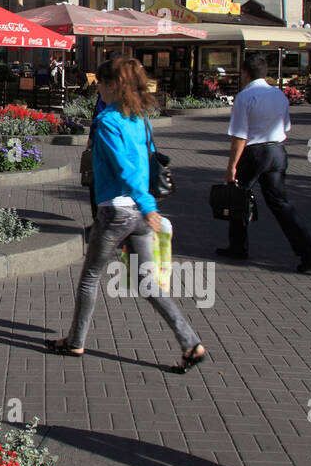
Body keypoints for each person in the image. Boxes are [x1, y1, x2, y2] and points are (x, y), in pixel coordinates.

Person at [48, 56, 206, 373]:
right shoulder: (140, 120)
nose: (98, 93)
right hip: (137, 212)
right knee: (147, 283)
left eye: (100, 86)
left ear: (110, 85)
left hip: (117, 211)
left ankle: (75, 341)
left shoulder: (107, 121)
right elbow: (145, 165)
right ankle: (190, 342)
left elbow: (126, 168)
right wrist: (147, 206)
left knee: (90, 278)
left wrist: (147, 206)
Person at [217, 52, 311, 272]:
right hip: (277, 151)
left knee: (239, 197)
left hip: (254, 152)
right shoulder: (279, 95)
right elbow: (286, 127)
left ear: (245, 73)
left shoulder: (245, 97)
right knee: (279, 202)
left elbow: (240, 136)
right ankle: (307, 247)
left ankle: (238, 247)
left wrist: (231, 167)